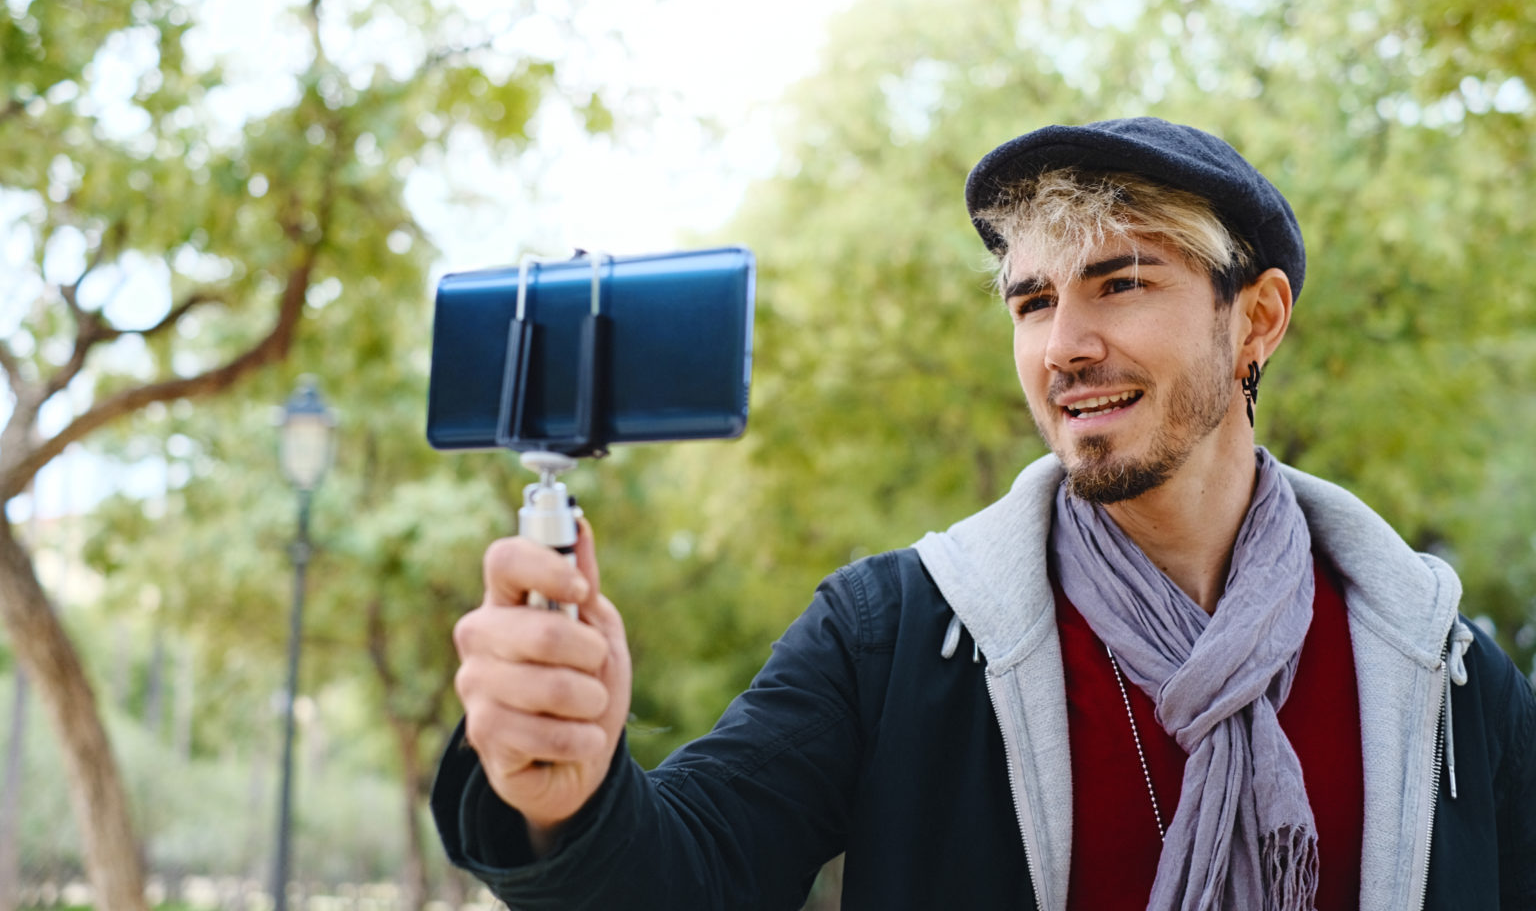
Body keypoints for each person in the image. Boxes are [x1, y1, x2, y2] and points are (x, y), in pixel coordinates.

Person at [431, 117, 1536, 911]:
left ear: (1256, 319)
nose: (1064, 345)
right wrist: (563, 797)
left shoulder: (1442, 671)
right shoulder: (896, 633)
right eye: (1033, 300)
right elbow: (690, 871)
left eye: (1120, 282)